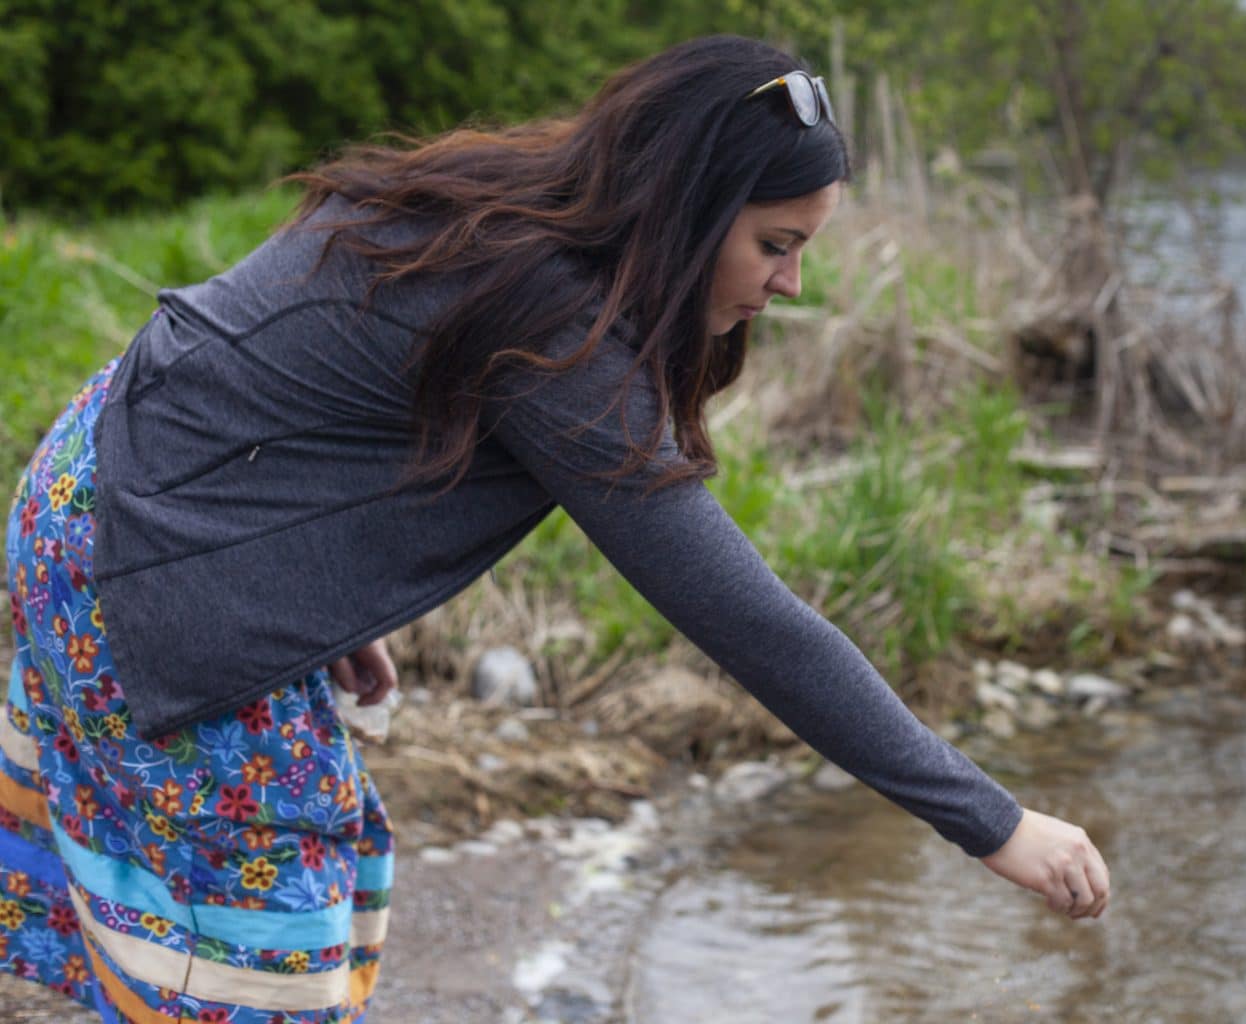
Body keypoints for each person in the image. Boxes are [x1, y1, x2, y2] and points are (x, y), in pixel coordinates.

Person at [0, 34, 1109, 1024]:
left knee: (260, 891)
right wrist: (997, 823)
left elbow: (272, 371)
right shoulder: (553, 320)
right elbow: (751, 621)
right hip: (137, 574)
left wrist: (315, 596)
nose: (794, 283)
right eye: (777, 243)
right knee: (261, 944)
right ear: (688, 207)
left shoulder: (493, 202)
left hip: (93, 491)